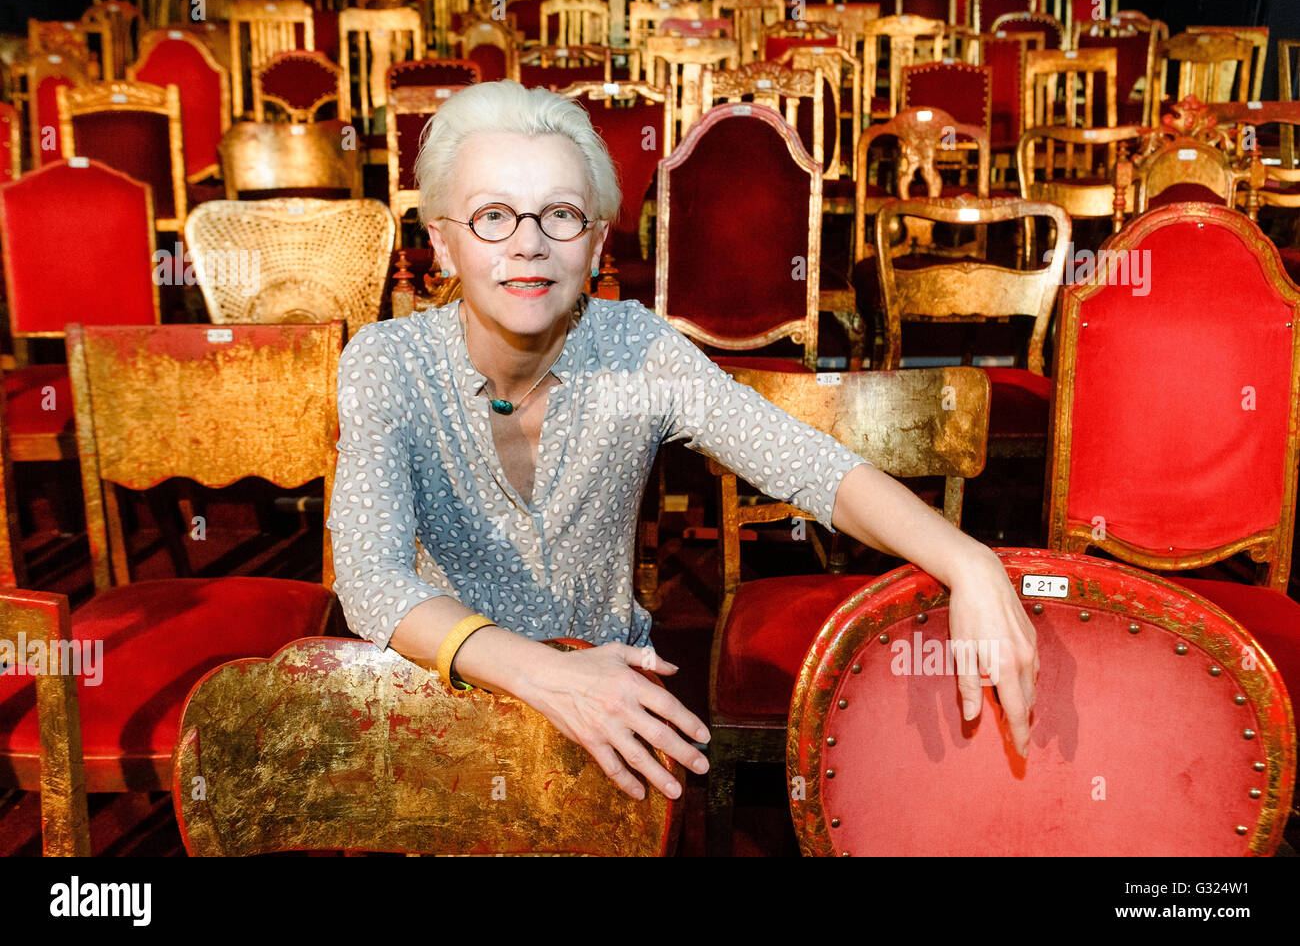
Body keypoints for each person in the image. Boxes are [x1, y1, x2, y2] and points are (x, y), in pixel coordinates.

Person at [326, 79, 1038, 803]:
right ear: (443, 244)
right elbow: (371, 581)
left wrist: (969, 560)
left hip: (612, 712)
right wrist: (550, 678)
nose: (530, 245)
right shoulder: (388, 362)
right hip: (450, 702)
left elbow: (808, 464)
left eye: (561, 215)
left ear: (598, 240)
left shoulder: (636, 348)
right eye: (493, 217)